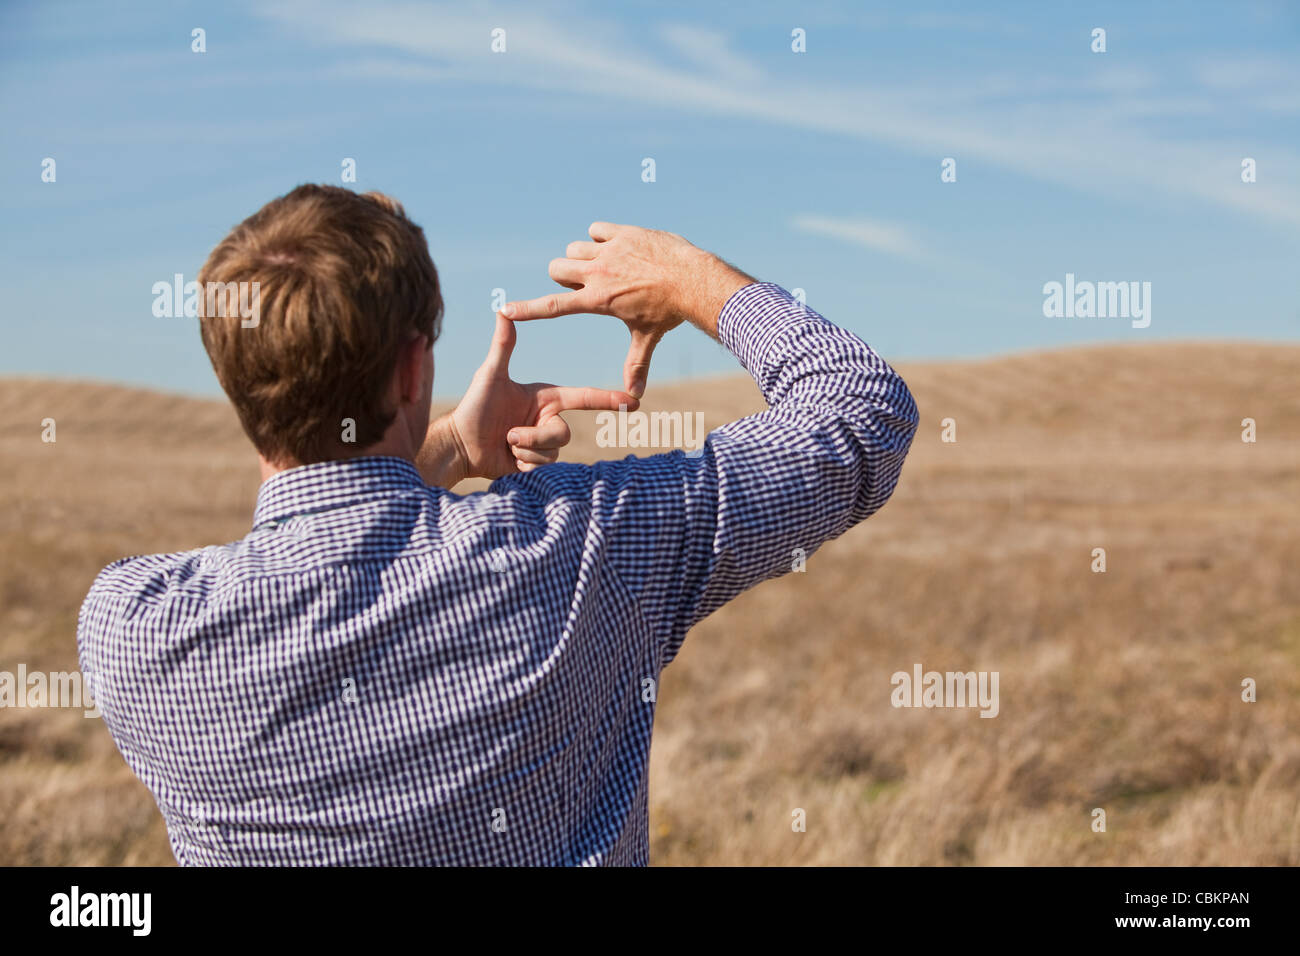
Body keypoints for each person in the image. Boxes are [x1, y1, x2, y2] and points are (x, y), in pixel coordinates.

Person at [77, 184, 919, 865]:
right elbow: (860, 413)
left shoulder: (133, 628)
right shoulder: (586, 546)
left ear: (233, 382)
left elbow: (339, 558)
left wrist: (443, 445)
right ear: (415, 369)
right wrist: (693, 280)